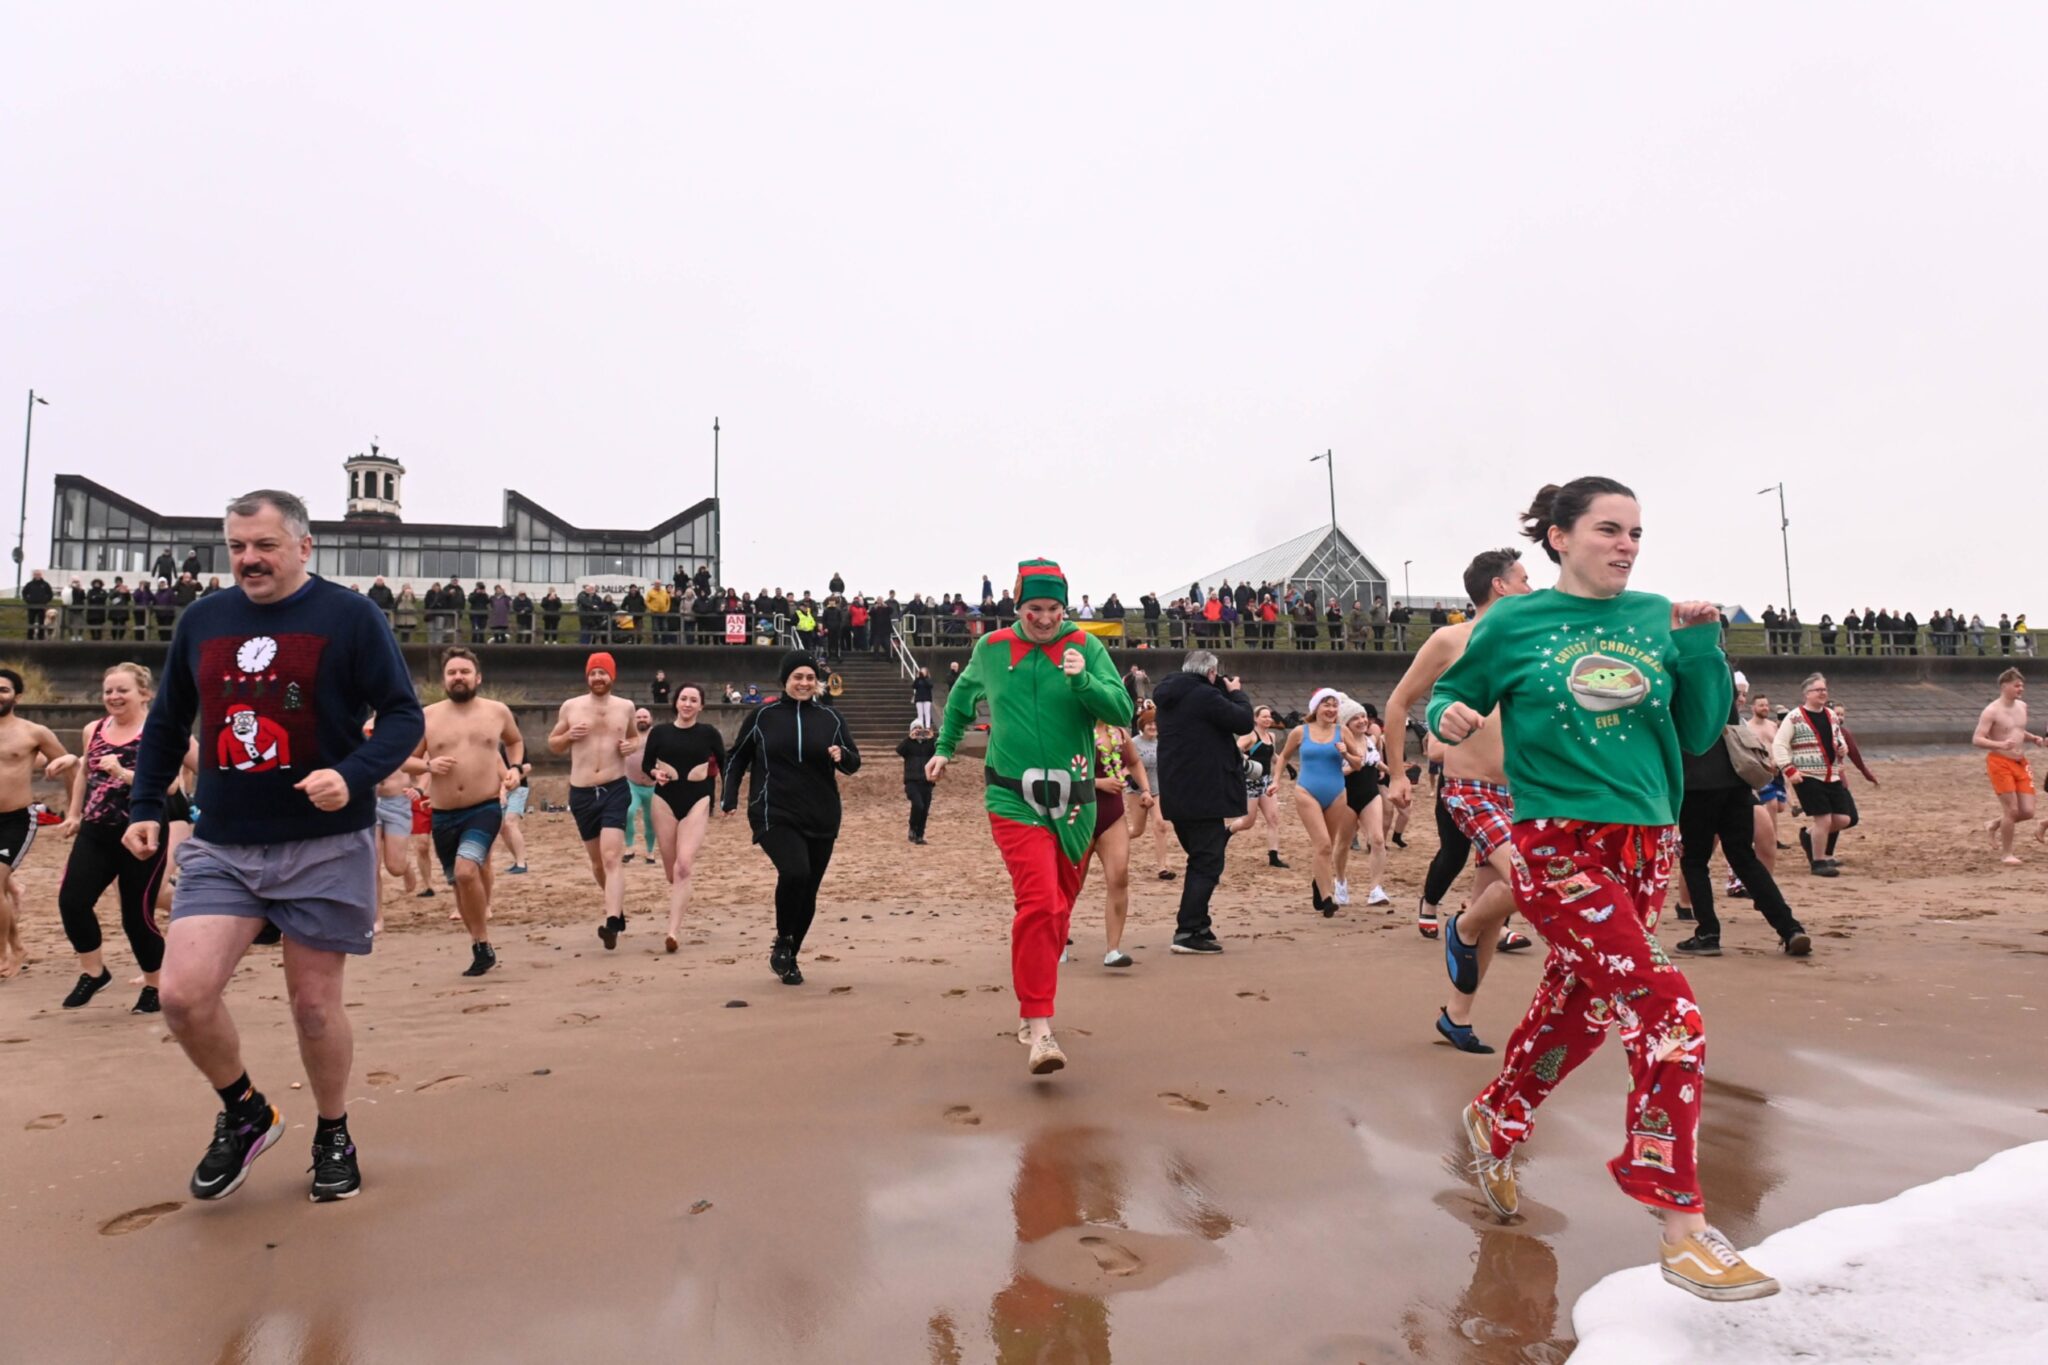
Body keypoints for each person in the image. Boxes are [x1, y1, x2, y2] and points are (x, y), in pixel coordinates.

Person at [1429, 475, 1775, 1302]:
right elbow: (1455, 690)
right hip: (1557, 846)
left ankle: (1497, 1114)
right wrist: (1448, 717)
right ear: (1559, 536)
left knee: (1578, 1010)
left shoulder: (1656, 618)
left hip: (1647, 841)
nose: (1626, 545)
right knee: (1668, 1014)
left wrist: (1699, 648)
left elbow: (1695, 733)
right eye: (1609, 529)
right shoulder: (1514, 620)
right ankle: (1680, 1222)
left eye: (1636, 533)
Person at [125, 488, 424, 1206]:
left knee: (314, 1008)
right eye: (236, 545)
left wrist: (351, 776)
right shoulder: (204, 619)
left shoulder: (349, 616)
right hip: (225, 840)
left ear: (302, 546)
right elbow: (168, 720)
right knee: (182, 994)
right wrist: (144, 804)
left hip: (323, 843)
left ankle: (333, 1131)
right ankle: (247, 1109)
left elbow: (403, 715)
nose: (248, 559)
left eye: (262, 545)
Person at [927, 559, 1131, 1075]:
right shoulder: (992, 649)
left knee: (1058, 912)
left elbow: (1122, 710)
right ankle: (1041, 1027)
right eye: (1034, 609)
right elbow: (959, 701)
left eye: (1054, 609)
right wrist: (945, 748)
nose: (1045, 619)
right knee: (1038, 902)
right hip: (1012, 797)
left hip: (1078, 802)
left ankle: (1029, 1007)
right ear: (1018, 608)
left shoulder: (1087, 647)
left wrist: (1085, 682)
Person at [1384, 547, 1537, 1051]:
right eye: (1523, 578)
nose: (1530, 586)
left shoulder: (1526, 642)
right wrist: (1396, 773)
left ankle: (1457, 1015)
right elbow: (1399, 701)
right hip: (1470, 788)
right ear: (1499, 585)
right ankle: (1463, 923)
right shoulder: (1452, 638)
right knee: (1532, 881)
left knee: (1497, 909)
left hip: (1521, 792)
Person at [58, 665, 200, 1012]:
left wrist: (121, 772)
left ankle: (155, 984)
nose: (114, 697)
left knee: (136, 915)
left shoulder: (161, 731)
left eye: (122, 690)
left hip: (142, 830)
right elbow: (85, 774)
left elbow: (169, 786)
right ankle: (94, 972)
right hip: (96, 829)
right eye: (108, 691)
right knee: (72, 902)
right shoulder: (95, 729)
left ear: (145, 694)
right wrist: (74, 814)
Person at [724, 650, 860, 985]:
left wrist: (842, 755)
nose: (804, 683)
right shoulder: (763, 716)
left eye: (810, 678)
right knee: (795, 872)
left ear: (817, 682)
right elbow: (737, 758)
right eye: (797, 677)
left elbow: (853, 763)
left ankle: (791, 955)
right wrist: (728, 797)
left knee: (809, 889)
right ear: (785, 680)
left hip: (822, 813)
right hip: (773, 810)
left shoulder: (831, 718)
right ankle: (783, 938)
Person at [1675, 677, 1813, 957]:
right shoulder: (1722, 673)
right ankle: (1790, 929)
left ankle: (1708, 933)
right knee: (1743, 857)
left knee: (1695, 860)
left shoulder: (1682, 678)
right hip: (1734, 777)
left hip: (1696, 781)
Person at [414, 648, 523, 976]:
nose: (458, 677)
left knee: (465, 871)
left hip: (485, 807)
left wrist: (515, 769)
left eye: (464, 671)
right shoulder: (427, 716)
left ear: (478, 677)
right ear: (444, 679)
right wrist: (427, 765)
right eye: (452, 673)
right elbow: (405, 760)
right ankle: (481, 945)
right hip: (444, 814)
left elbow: (515, 742)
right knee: (458, 884)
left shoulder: (497, 711)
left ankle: (481, 941)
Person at [1153, 650, 1253, 953]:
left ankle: (1199, 924)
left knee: (1200, 857)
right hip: (1204, 793)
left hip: (1177, 791)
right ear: (1211, 673)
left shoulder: (1170, 696)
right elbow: (1243, 721)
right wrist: (1237, 693)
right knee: (1207, 861)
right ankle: (1188, 931)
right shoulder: (1203, 696)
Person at [549, 653, 637, 949]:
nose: (598, 678)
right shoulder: (571, 707)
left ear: (613, 676)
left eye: (603, 673)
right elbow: (553, 745)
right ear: (587, 677)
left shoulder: (626, 707)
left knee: (612, 856)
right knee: (598, 862)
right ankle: (619, 911)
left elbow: (635, 737)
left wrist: (629, 746)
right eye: (593, 673)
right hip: (582, 791)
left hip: (615, 787)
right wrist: (568, 736)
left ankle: (611, 921)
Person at [0, 668, 77, 980]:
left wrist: (74, 812)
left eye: (3, 689)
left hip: (16, 820)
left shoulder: (34, 733)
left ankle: (3, 954)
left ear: (17, 696)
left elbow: (72, 766)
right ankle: (16, 945)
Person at [638, 683, 724, 953]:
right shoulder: (660, 733)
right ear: (676, 703)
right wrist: (655, 774)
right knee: (672, 872)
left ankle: (673, 932)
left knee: (683, 867)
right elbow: (646, 764)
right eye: (683, 699)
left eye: (693, 700)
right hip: (664, 801)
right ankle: (683, 891)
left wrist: (727, 799)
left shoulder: (709, 733)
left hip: (698, 800)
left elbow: (726, 764)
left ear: (701, 706)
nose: (687, 704)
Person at [1274, 689, 1353, 915]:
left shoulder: (1342, 731)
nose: (1331, 709)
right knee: (1324, 845)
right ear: (1316, 708)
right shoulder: (1300, 731)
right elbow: (1284, 756)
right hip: (1307, 791)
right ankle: (1328, 899)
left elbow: (1358, 762)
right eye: (1326, 705)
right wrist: (1276, 780)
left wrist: (1347, 754)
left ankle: (1318, 883)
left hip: (1337, 792)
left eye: (1334, 705)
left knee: (1327, 846)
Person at [1770, 673, 1855, 877]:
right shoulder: (1794, 717)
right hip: (1806, 775)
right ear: (1807, 694)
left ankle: (1809, 835)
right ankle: (1818, 862)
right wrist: (1790, 770)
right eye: (1818, 690)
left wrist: (1842, 749)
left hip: (1831, 774)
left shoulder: (1831, 715)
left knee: (1843, 819)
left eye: (1824, 689)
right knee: (1823, 820)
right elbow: (1779, 745)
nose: (1823, 693)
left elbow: (1838, 739)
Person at [1079, 715, 1146, 967]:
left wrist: (1146, 790)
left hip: (1113, 813)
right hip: (1079, 814)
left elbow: (1135, 761)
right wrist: (1097, 783)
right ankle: (1059, 939)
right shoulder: (1072, 728)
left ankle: (1113, 949)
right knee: (1071, 882)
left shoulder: (1119, 733)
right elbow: (1059, 771)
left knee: (1119, 876)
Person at [1973, 668, 2045, 863]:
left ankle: (1994, 824)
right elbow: (1977, 739)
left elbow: (2018, 730)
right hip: (1999, 762)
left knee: (2028, 811)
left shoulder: (2022, 706)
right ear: (2004, 686)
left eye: (2022, 685)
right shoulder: (1991, 711)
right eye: (2017, 685)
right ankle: (2007, 854)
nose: (2021, 689)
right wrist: (1999, 744)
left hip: (2020, 762)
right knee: (2011, 810)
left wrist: (2034, 738)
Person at [1333, 699, 1392, 908]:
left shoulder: (1369, 740)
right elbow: (1330, 772)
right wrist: (1348, 767)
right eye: (1355, 718)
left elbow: (1375, 761)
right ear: (1345, 723)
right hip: (1346, 796)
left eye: (1363, 717)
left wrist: (1394, 772)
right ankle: (1340, 882)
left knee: (1377, 840)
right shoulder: (1337, 743)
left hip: (1370, 794)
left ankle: (1376, 889)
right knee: (1343, 843)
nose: (1361, 721)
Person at [1227, 704, 1288, 868]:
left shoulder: (1272, 736)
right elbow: (1234, 752)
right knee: (1248, 822)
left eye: (1269, 717)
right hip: (1250, 782)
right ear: (1255, 719)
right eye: (1264, 716)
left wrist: (1286, 766)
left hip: (1266, 782)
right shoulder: (1250, 736)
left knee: (1273, 819)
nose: (1268, 719)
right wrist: (1245, 761)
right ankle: (1226, 832)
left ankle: (1273, 856)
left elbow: (1273, 756)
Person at [1127, 703, 1174, 878]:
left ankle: (1162, 868)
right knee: (1137, 830)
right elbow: (1124, 765)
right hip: (1136, 790)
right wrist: (1132, 781)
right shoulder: (1133, 743)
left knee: (1161, 825)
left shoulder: (1162, 743)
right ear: (1142, 725)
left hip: (1157, 790)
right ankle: (1111, 842)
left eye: (1155, 723)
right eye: (1149, 724)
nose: (1153, 727)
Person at [621, 707, 659, 866]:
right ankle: (629, 848)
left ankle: (650, 851)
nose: (642, 719)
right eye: (638, 717)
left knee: (650, 820)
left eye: (645, 716)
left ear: (650, 719)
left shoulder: (658, 735)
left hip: (653, 785)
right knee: (628, 811)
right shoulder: (626, 735)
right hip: (632, 782)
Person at [897, 722, 937, 845]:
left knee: (924, 810)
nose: (919, 732)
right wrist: (909, 738)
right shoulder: (908, 744)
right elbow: (899, 750)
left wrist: (932, 738)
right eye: (916, 729)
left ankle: (919, 835)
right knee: (918, 805)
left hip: (926, 781)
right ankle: (912, 828)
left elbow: (937, 752)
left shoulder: (929, 744)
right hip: (911, 781)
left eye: (921, 729)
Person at [22, 569, 54, 640]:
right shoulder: (29, 584)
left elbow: (50, 594)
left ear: (41, 575)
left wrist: (45, 601)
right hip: (31, 606)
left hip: (41, 607)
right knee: (31, 622)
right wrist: (28, 600)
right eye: (36, 574)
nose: (37, 576)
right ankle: (30, 637)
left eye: (38, 574)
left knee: (41, 623)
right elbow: (24, 593)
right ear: (33, 575)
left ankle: (41, 637)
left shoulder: (45, 584)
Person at [912, 666, 935, 731]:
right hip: (919, 698)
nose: (922, 673)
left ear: (926, 673)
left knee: (927, 712)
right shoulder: (918, 680)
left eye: (923, 671)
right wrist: (917, 678)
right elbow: (913, 686)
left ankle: (927, 726)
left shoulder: (928, 679)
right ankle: (921, 725)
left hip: (927, 698)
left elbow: (930, 685)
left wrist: (924, 678)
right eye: (921, 671)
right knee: (920, 713)